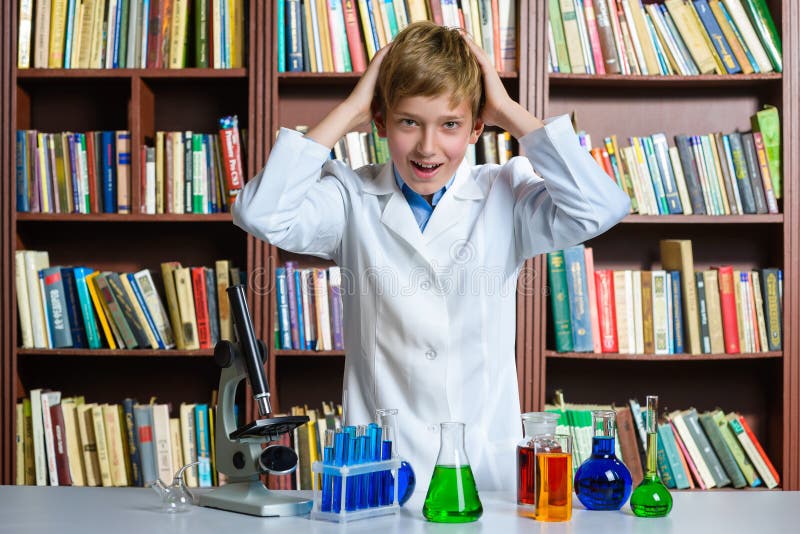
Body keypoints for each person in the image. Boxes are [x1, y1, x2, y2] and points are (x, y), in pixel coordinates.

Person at [233, 21, 630, 494]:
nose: (427, 147)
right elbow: (258, 212)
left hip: (483, 477)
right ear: (379, 122)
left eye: (450, 125)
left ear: (477, 126)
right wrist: (351, 108)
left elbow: (601, 207)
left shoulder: (506, 191)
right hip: (383, 473)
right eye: (408, 122)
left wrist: (505, 106)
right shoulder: (350, 197)